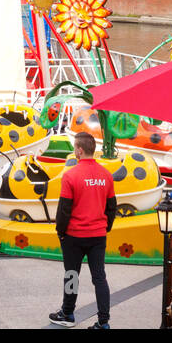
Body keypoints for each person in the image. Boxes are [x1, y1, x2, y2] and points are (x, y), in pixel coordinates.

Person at [49, 131, 117, 329]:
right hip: (98, 235)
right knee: (100, 278)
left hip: (74, 236)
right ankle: (103, 322)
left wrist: (61, 231)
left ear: (79, 150)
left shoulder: (70, 176)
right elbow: (112, 207)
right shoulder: (106, 175)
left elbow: (64, 209)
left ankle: (68, 313)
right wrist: (105, 227)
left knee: (72, 275)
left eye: (74, 148)